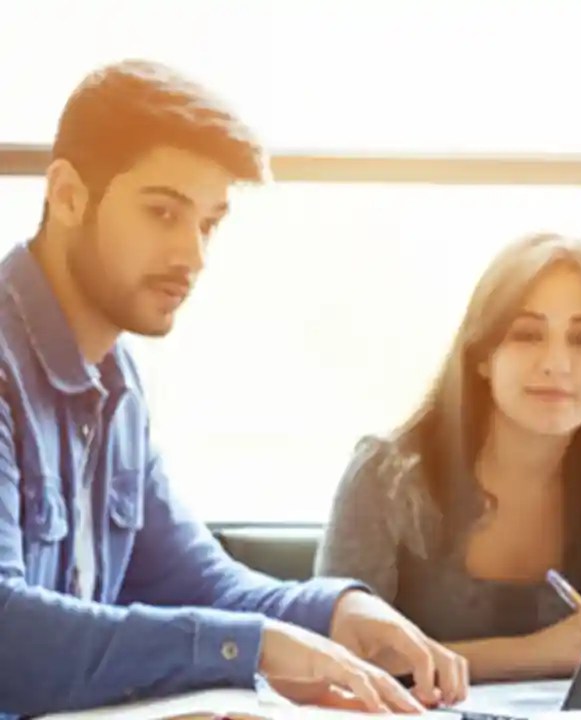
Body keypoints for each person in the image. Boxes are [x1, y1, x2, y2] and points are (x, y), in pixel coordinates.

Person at [0, 60, 468, 718]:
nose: (193, 255)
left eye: (208, 223)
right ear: (68, 195)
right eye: (163, 212)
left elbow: (192, 579)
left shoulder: (116, 385)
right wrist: (255, 645)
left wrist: (337, 611)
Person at [316, 233, 581, 682]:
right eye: (527, 335)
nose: (556, 364)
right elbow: (335, 658)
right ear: (483, 355)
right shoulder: (389, 478)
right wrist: (534, 653)